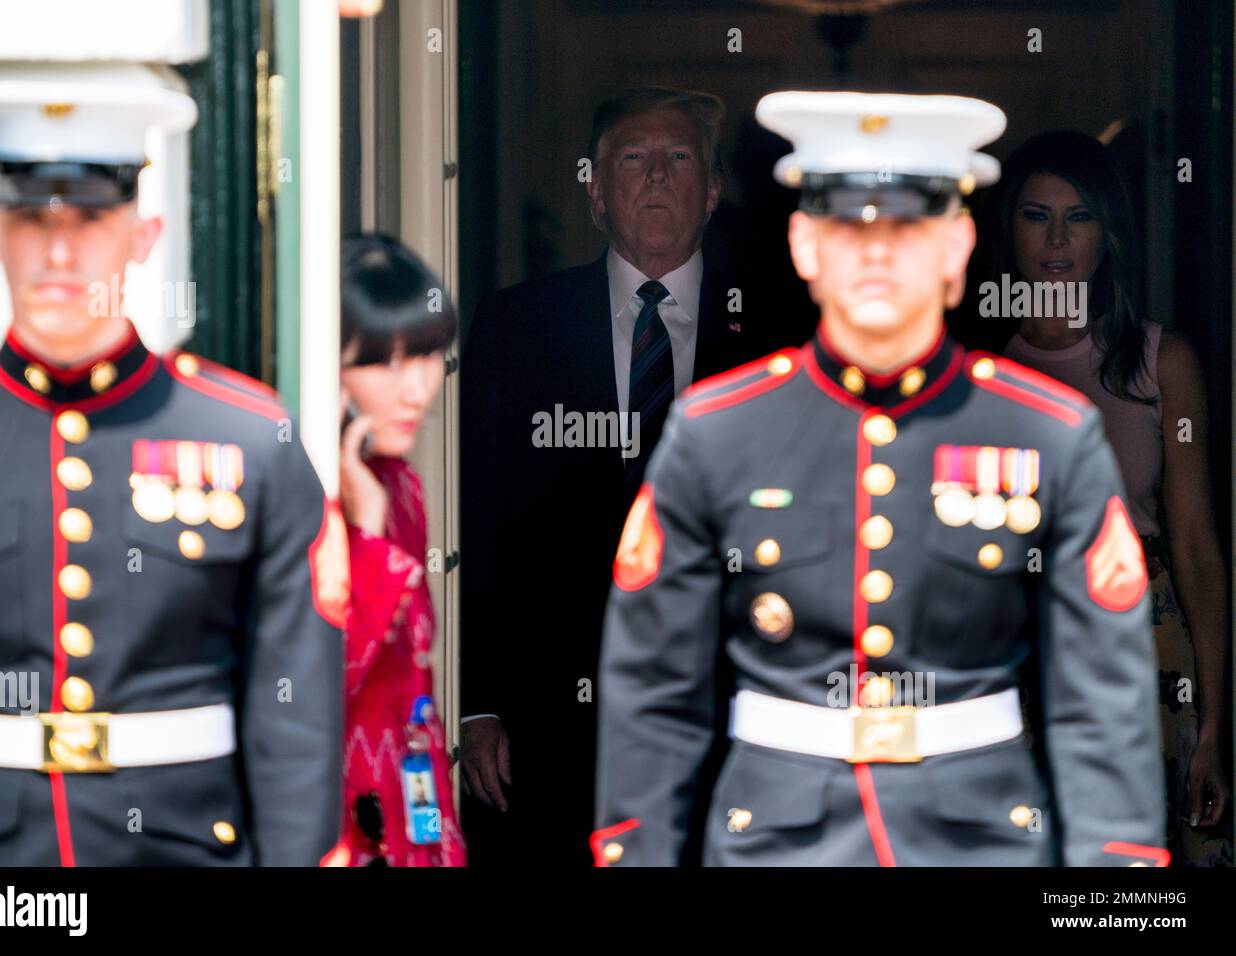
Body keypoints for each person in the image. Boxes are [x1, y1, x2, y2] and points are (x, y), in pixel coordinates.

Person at [593, 91, 1169, 867]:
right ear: (804, 245)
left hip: (980, 840)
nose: (876, 252)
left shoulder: (1046, 434)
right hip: (772, 842)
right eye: (846, 225)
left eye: (909, 225)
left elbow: (1102, 702)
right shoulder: (717, 432)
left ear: (958, 248)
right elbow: (653, 691)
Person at [0, 76, 342, 865]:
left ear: (144, 233)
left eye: (90, 218)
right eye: (30, 217)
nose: (59, 251)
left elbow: (293, 720)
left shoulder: (249, 440)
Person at [459, 87, 772, 865]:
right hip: (546, 726)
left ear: (710, 190)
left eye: (679, 160)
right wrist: (479, 703)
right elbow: (479, 519)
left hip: (727, 716)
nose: (657, 178)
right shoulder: (515, 325)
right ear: (596, 192)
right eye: (633, 160)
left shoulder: (776, 333)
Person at [992, 131, 1231, 866]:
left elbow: (1195, 548)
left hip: (1150, 643)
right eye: (1038, 216)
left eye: (1080, 216)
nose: (1058, 239)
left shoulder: (1164, 363)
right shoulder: (979, 367)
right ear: (1011, 230)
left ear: (1109, 233)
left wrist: (1216, 725)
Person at [321, 234, 465, 867]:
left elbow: (418, 707)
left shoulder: (399, 484)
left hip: (410, 821)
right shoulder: (301, 493)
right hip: (336, 832)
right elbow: (315, 689)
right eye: (384, 363)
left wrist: (441, 848)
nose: (416, 390)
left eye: (429, 356)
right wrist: (366, 534)